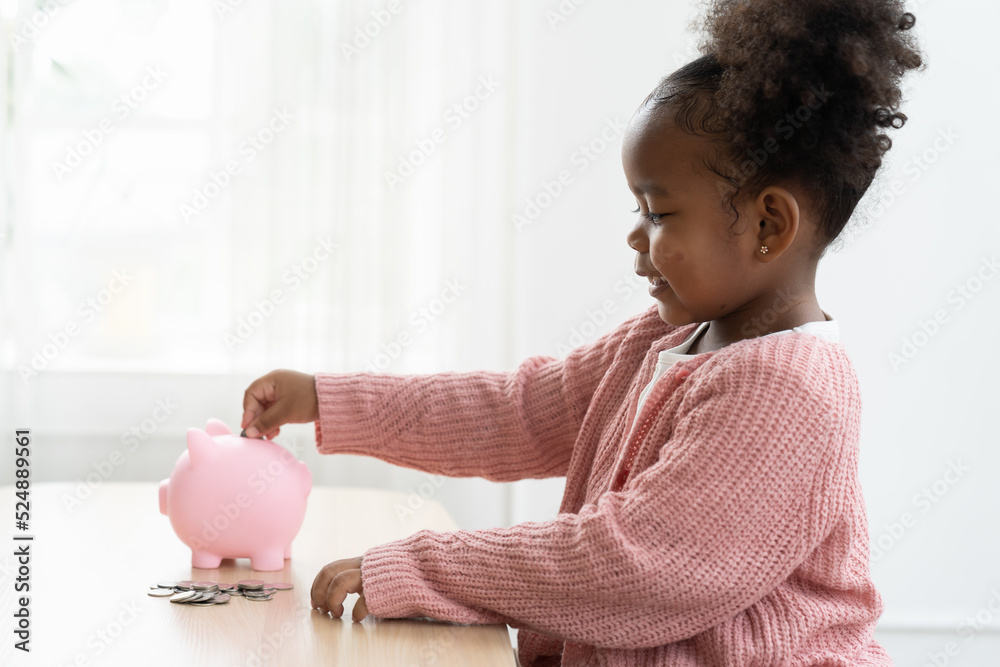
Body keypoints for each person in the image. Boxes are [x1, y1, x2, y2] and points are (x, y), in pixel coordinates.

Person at [240, 0, 923, 664]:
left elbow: (635, 566)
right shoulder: (659, 342)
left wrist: (425, 566)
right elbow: (514, 413)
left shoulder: (788, 391)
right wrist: (329, 399)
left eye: (658, 213)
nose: (634, 234)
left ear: (769, 225)